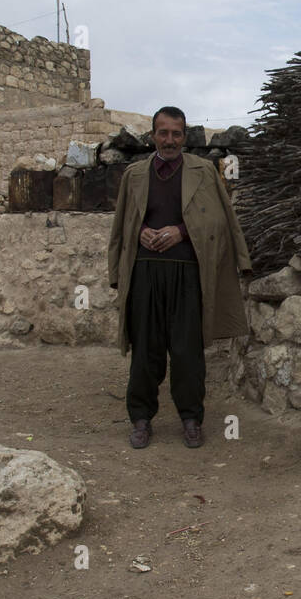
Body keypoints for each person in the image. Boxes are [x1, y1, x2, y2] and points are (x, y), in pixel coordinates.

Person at [108, 106, 251, 450]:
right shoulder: (135, 175)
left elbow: (219, 222)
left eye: (176, 133)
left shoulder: (203, 172)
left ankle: (191, 419)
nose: (169, 140)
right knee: (145, 350)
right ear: (153, 136)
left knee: (188, 352)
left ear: (184, 137)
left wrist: (181, 231)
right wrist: (141, 232)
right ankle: (141, 419)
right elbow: (122, 223)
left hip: (188, 275)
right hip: (145, 273)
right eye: (163, 132)